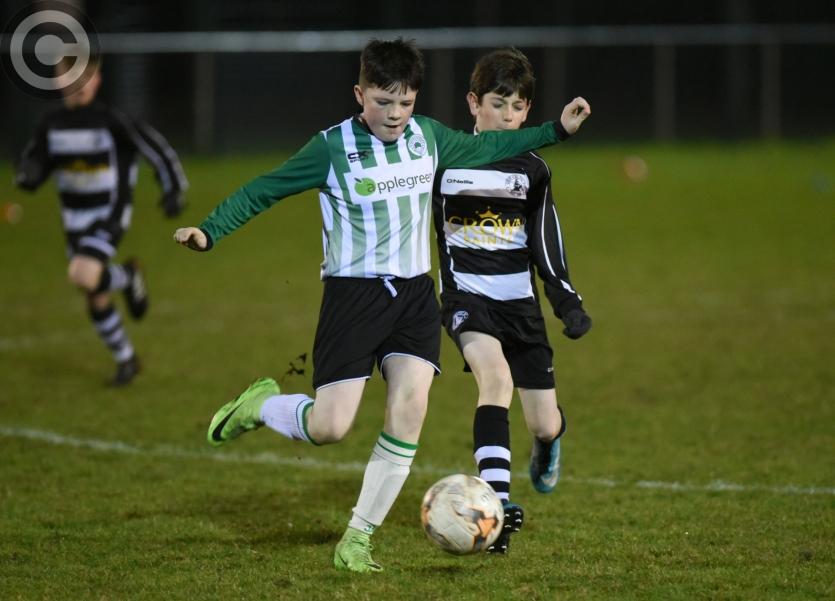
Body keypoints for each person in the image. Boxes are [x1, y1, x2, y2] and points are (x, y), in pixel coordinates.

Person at [173, 38, 590, 573]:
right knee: (330, 428)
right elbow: (264, 189)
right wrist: (210, 232)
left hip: (415, 297)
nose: (395, 115)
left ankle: (357, 538)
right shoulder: (330, 149)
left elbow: (492, 148)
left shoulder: (429, 138)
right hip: (353, 298)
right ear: (359, 94)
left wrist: (557, 130)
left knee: (410, 408)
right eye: (383, 102)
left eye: (406, 102)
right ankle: (260, 406)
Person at [431, 48, 592, 554]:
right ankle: (494, 510)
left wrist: (566, 301)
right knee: (494, 379)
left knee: (542, 421)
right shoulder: (442, 160)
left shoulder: (533, 170)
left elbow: (546, 241)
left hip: (519, 304)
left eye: (519, 107)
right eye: (498, 104)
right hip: (465, 298)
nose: (508, 116)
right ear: (473, 102)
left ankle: (548, 444)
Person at [15, 55, 188, 386]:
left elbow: (157, 150)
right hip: (73, 220)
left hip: (109, 213)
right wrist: (29, 175)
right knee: (94, 293)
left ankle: (127, 275)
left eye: (85, 77)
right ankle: (127, 359)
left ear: (96, 81)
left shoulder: (112, 121)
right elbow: (32, 163)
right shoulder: (50, 123)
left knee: (82, 273)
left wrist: (173, 188)